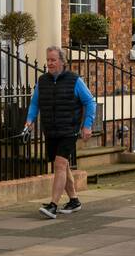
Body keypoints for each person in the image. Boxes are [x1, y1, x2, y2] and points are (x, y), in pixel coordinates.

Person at [23, 46, 97, 219]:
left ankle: (53, 205)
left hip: (69, 130)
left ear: (62, 62)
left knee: (59, 165)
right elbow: (35, 103)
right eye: (48, 60)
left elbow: (90, 102)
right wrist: (29, 121)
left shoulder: (75, 80)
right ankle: (74, 200)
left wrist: (87, 125)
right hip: (50, 130)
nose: (49, 63)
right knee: (62, 167)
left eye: (53, 60)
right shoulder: (42, 81)